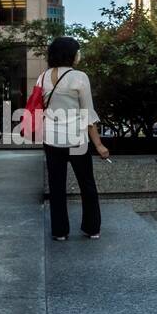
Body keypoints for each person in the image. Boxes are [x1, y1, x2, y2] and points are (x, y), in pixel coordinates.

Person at [33, 37, 108, 240]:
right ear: (70, 54)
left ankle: (60, 232)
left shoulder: (42, 77)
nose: (79, 54)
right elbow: (88, 114)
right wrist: (99, 144)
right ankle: (91, 228)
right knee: (87, 184)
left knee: (56, 187)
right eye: (77, 51)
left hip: (51, 139)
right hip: (76, 140)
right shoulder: (79, 77)